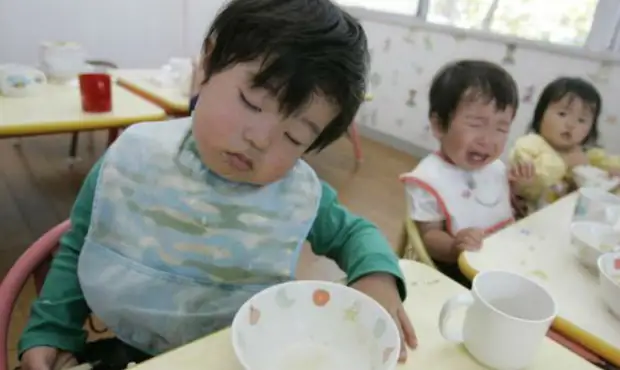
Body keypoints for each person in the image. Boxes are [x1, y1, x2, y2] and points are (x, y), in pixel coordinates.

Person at [18, 1, 417, 369]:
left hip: (236, 352)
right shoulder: (133, 156)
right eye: (252, 102)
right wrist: (51, 329)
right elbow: (81, 245)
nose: (260, 138)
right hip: (129, 347)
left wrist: (377, 277)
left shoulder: (296, 194)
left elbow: (355, 232)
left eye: (294, 136)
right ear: (206, 66)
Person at [400, 60, 533, 287]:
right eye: (476, 123)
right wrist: (454, 247)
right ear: (439, 125)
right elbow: (429, 237)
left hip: (503, 257)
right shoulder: (429, 177)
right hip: (458, 270)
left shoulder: (496, 168)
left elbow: (502, 207)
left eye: (501, 128)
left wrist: (520, 189)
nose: (488, 139)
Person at [510, 77, 620, 213]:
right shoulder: (529, 146)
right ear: (541, 115)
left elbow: (608, 164)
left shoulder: (586, 153)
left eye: (581, 120)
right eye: (562, 114)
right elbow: (535, 182)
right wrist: (565, 162)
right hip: (532, 221)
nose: (571, 124)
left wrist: (611, 173)